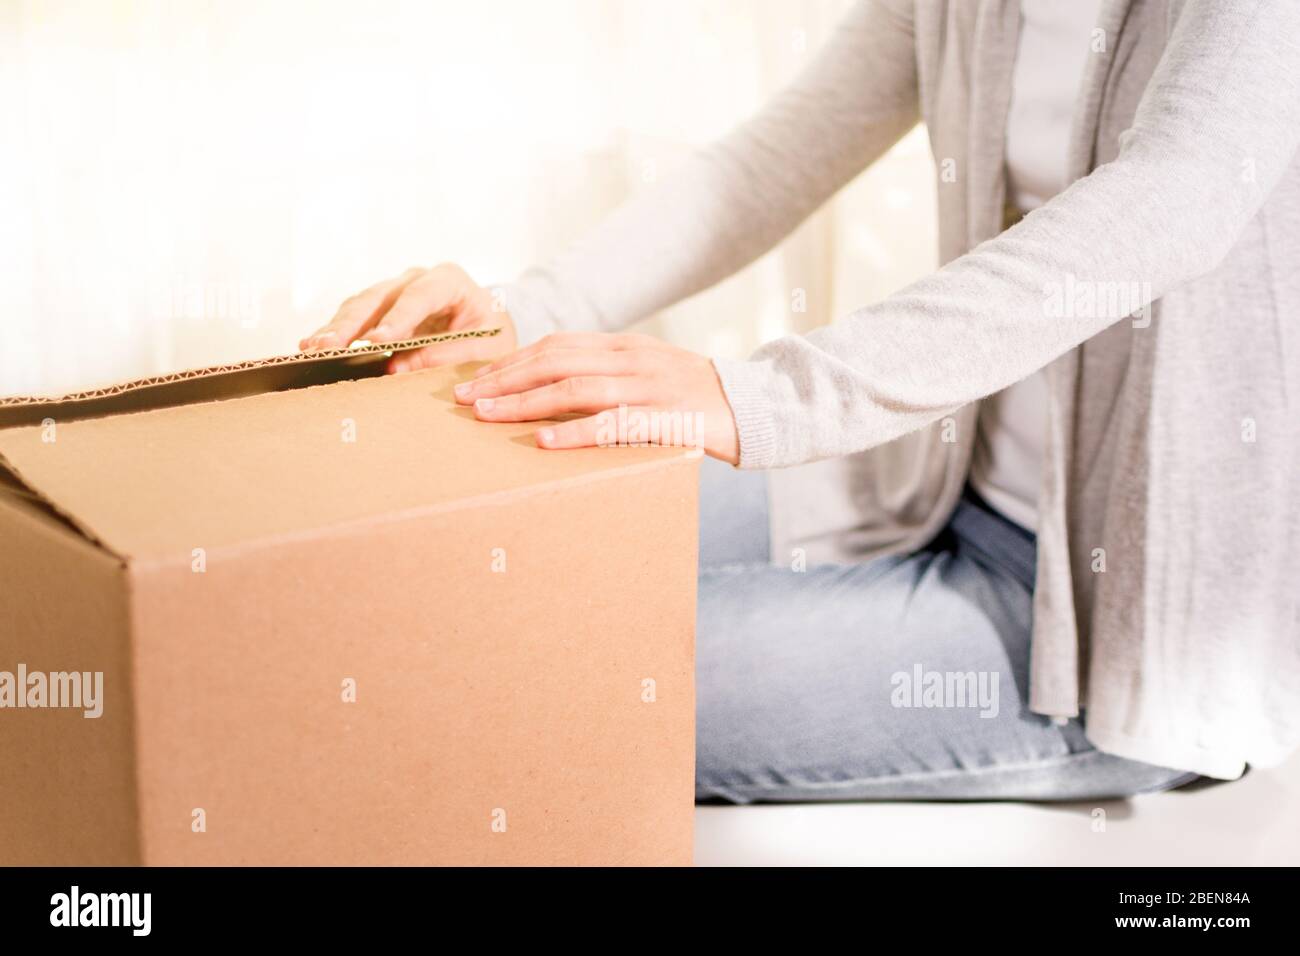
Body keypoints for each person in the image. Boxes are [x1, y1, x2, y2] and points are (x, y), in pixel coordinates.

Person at [302, 0, 1300, 800]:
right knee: (450, 578)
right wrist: (526, 310)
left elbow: (1177, 195)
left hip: (1110, 630)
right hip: (926, 490)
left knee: (512, 680)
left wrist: (764, 397)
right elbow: (772, 158)